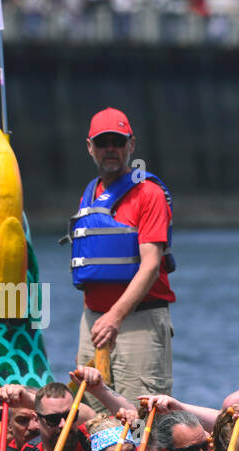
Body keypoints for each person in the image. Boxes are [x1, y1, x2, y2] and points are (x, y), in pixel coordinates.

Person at [71, 107, 176, 407]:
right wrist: (90, 327)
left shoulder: (148, 194)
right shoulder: (89, 194)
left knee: (142, 415)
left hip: (138, 321)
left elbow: (151, 265)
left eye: (118, 142)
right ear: (90, 147)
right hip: (95, 323)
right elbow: (89, 270)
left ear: (131, 145)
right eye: (103, 143)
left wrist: (114, 318)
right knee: (92, 415)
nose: (110, 150)